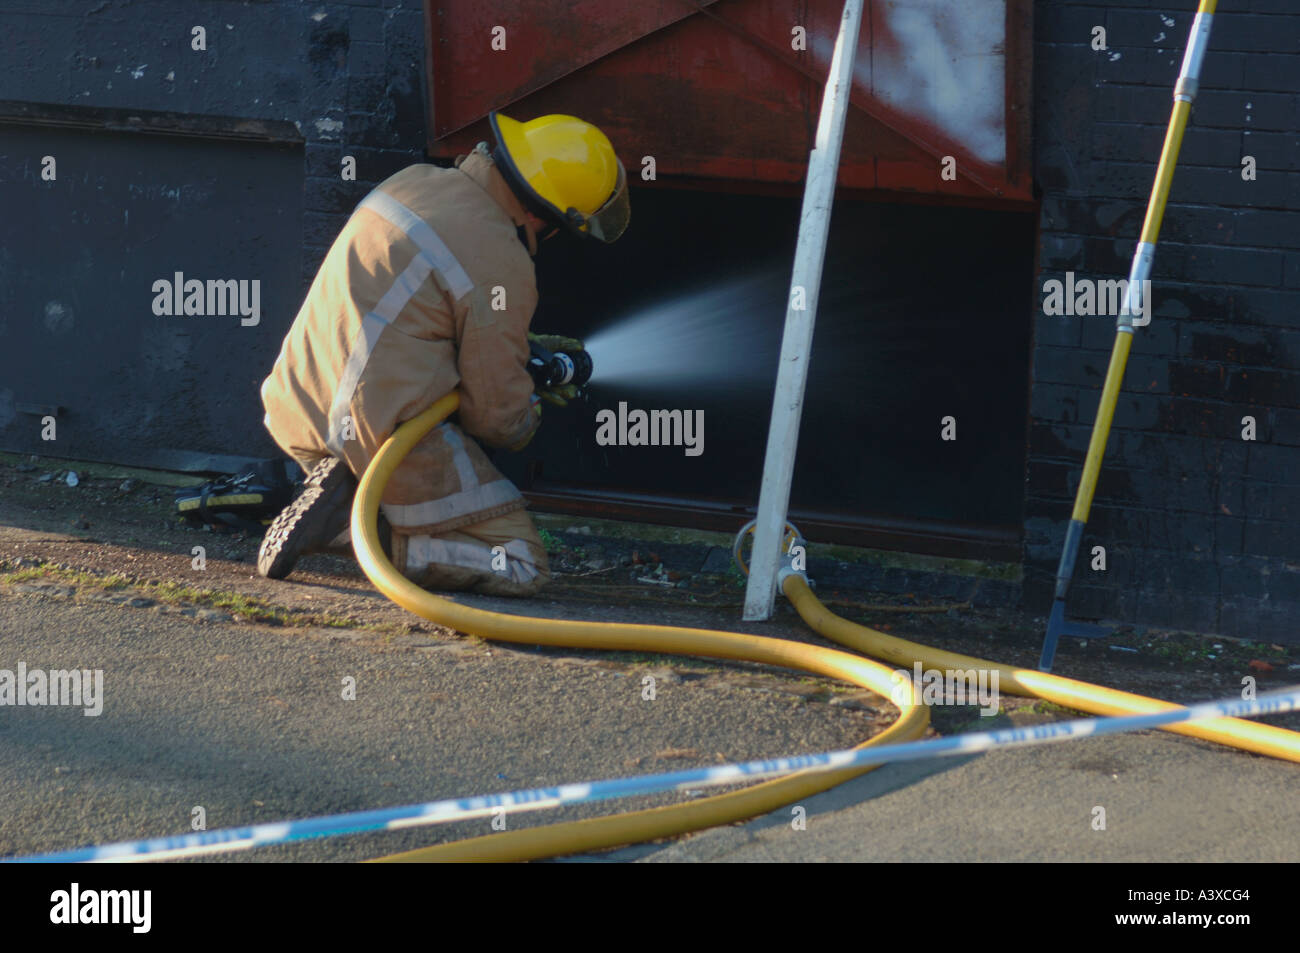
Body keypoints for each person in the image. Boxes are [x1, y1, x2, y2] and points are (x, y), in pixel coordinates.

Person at [257, 111, 629, 596]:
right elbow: (496, 417)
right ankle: (366, 533)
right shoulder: (502, 256)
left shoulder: (412, 181)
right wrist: (529, 401)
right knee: (520, 562)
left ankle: (356, 501)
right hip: (381, 435)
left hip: (297, 405)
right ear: (545, 216)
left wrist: (522, 352)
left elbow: (412, 318)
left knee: (429, 495)